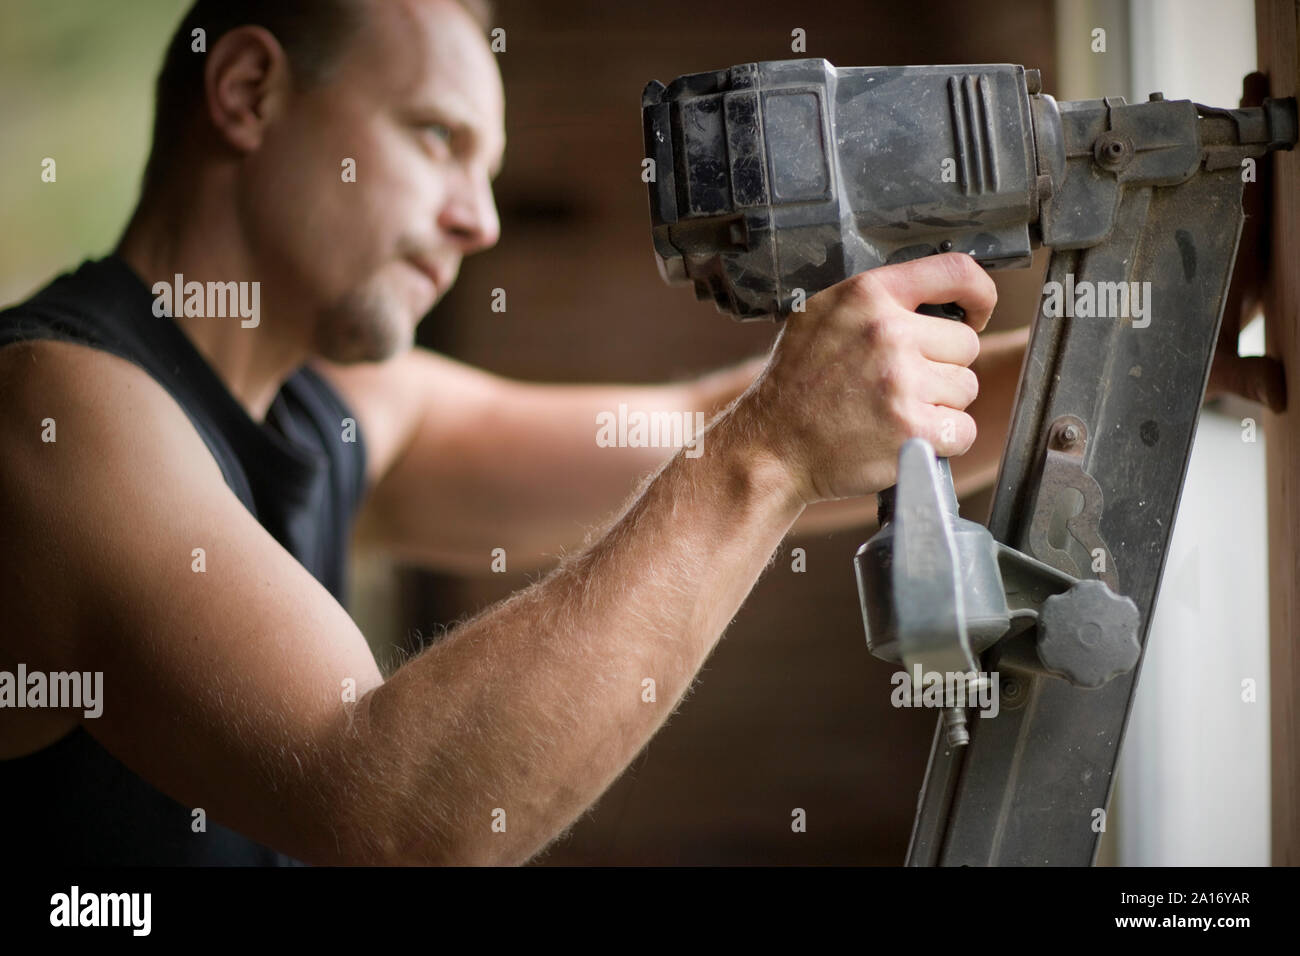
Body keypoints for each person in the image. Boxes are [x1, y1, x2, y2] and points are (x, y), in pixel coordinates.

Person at [0, 0, 1020, 864]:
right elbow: (390, 810)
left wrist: (1165, 338)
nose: (479, 221)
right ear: (246, 92)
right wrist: (771, 452)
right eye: (437, 137)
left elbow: (693, 426)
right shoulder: (53, 412)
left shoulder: (342, 408)